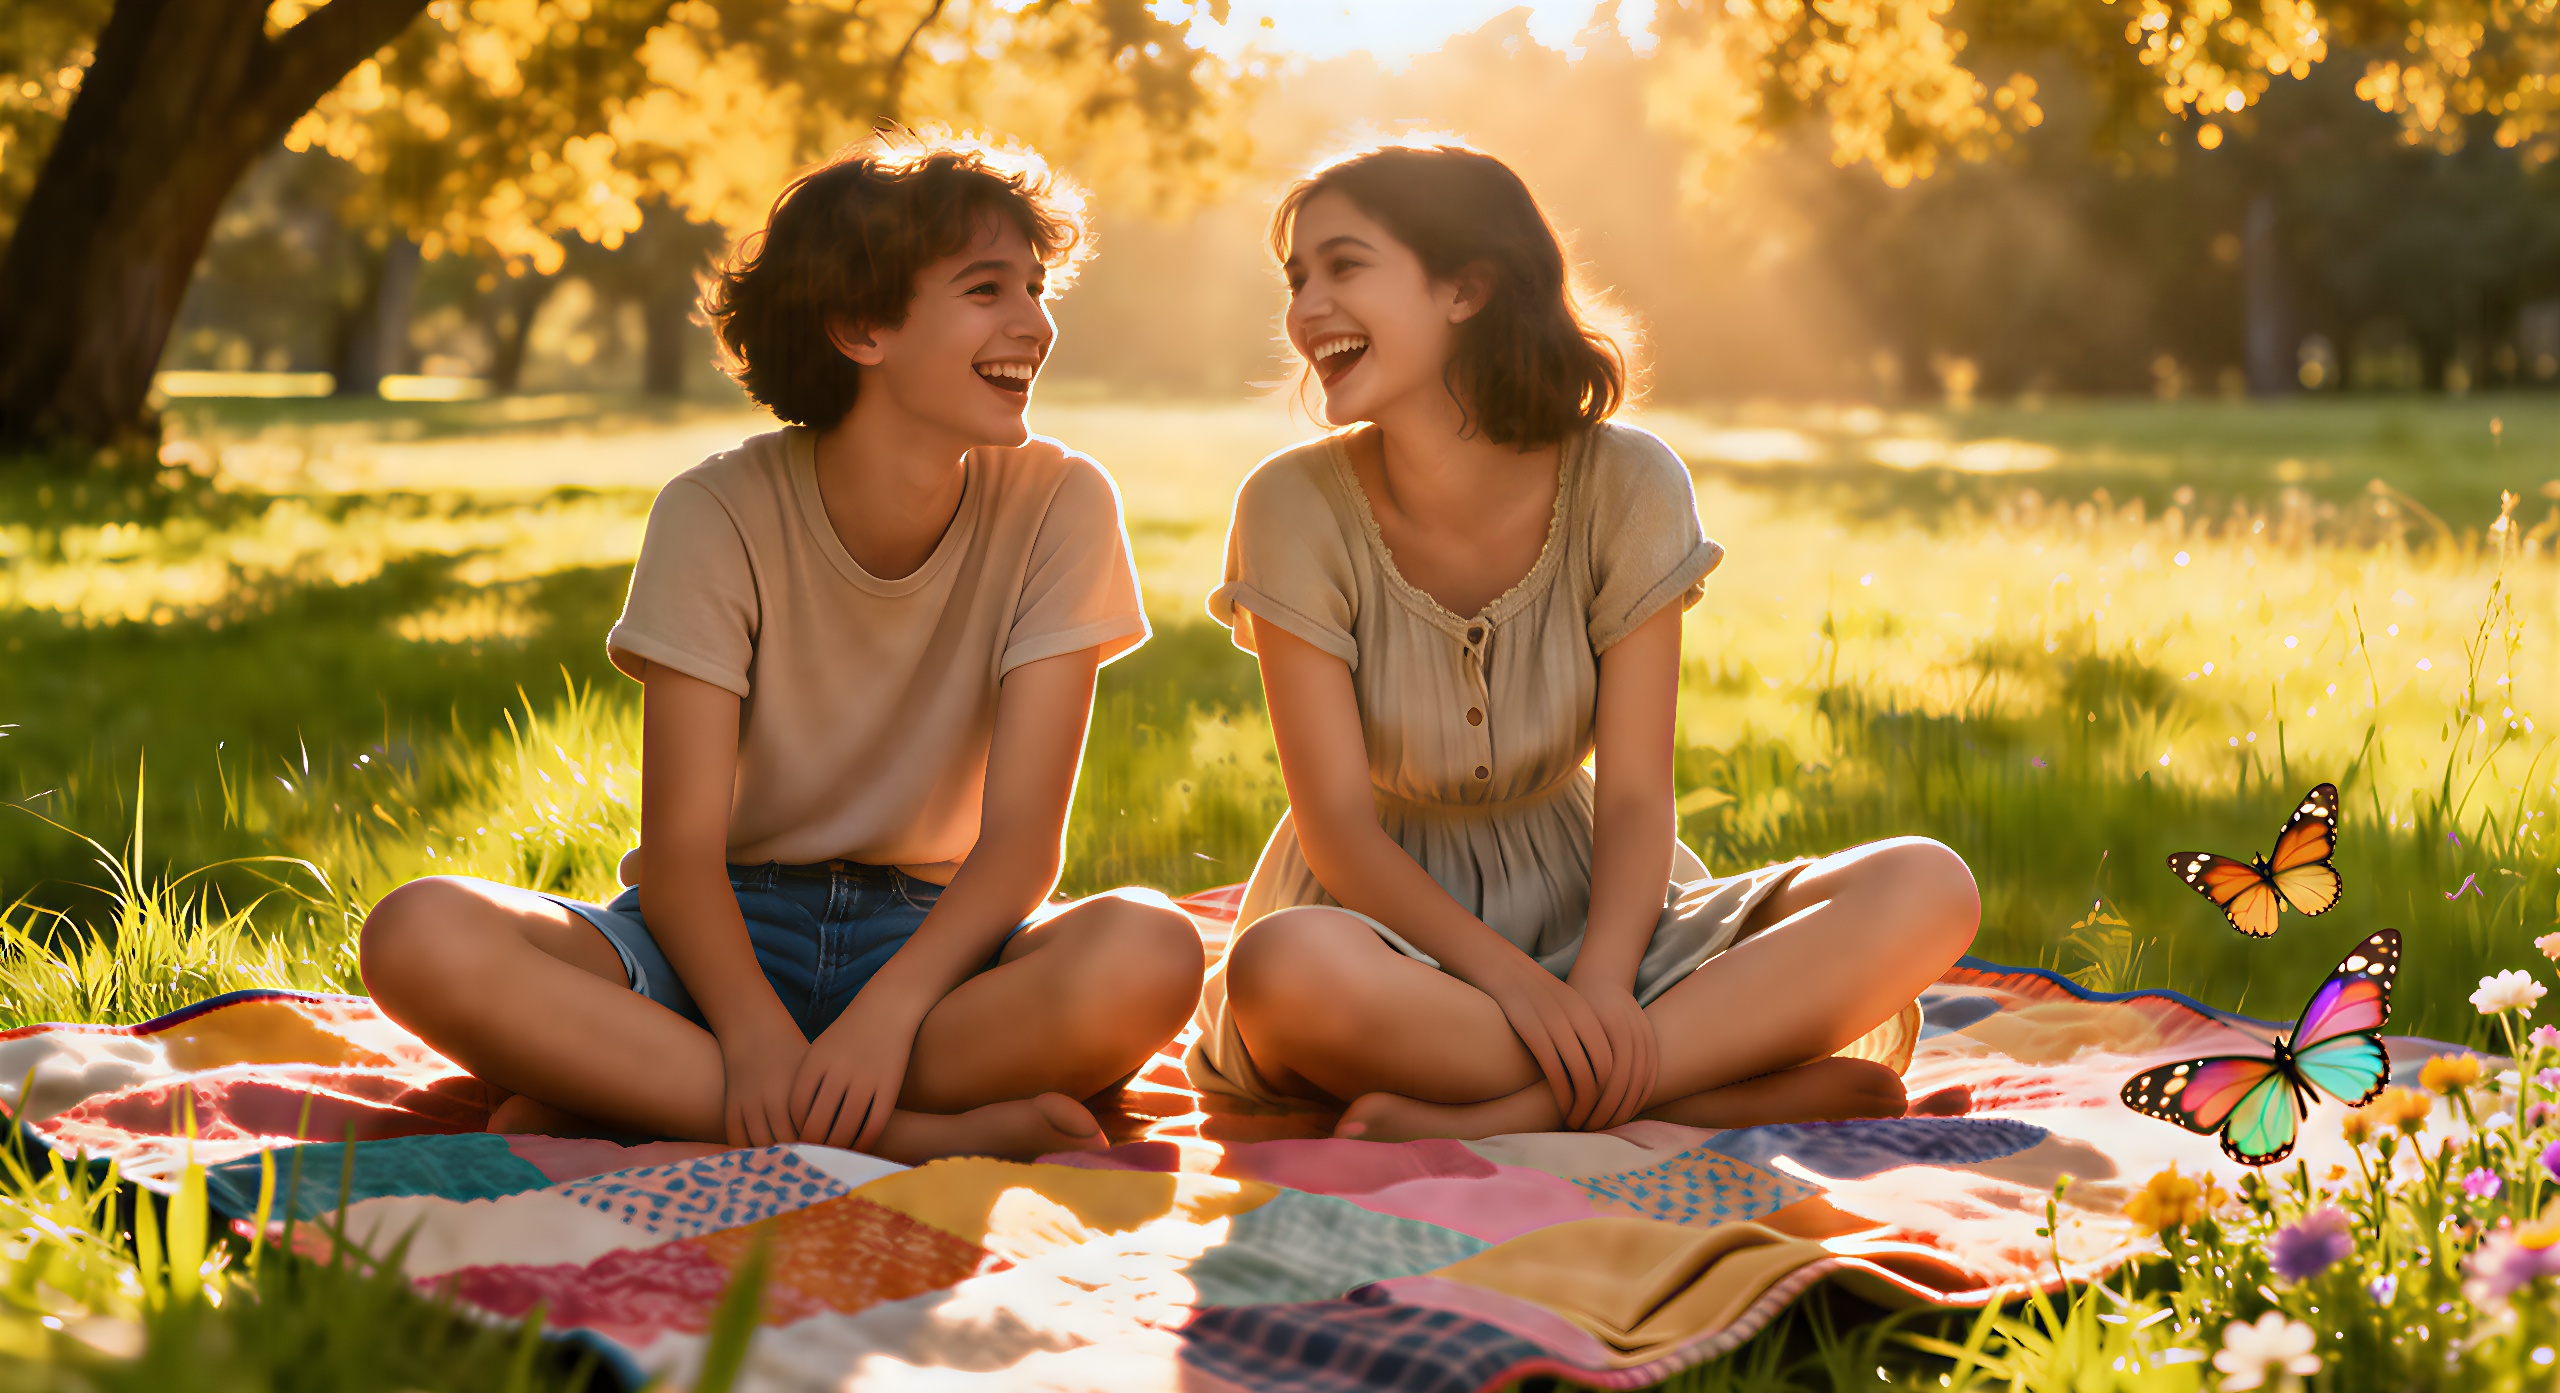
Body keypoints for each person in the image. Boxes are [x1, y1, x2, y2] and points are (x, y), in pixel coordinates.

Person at [361, 135, 1204, 1162]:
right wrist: (755, 1033)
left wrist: (885, 1018)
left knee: (1153, 949)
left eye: (1036, 287)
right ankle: (890, 1133)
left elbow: (1022, 844)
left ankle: (642, 1095)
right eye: (988, 291)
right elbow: (677, 857)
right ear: (860, 328)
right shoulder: (715, 509)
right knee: (417, 931)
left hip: (936, 950)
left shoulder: (1063, 503)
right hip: (714, 940)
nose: (1036, 324)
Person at [1189, 143, 1980, 1142]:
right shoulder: (1289, 505)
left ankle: (1517, 1107)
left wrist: (1601, 985)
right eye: (1296, 279)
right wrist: (1521, 989)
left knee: (1928, 884)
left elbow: (1641, 790)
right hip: (1380, 927)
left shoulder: (1630, 484)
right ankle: (1700, 1085)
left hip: (1600, 909)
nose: (1306, 309)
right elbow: (1337, 827)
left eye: (1344, 267)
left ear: (1465, 289)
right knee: (1277, 971)